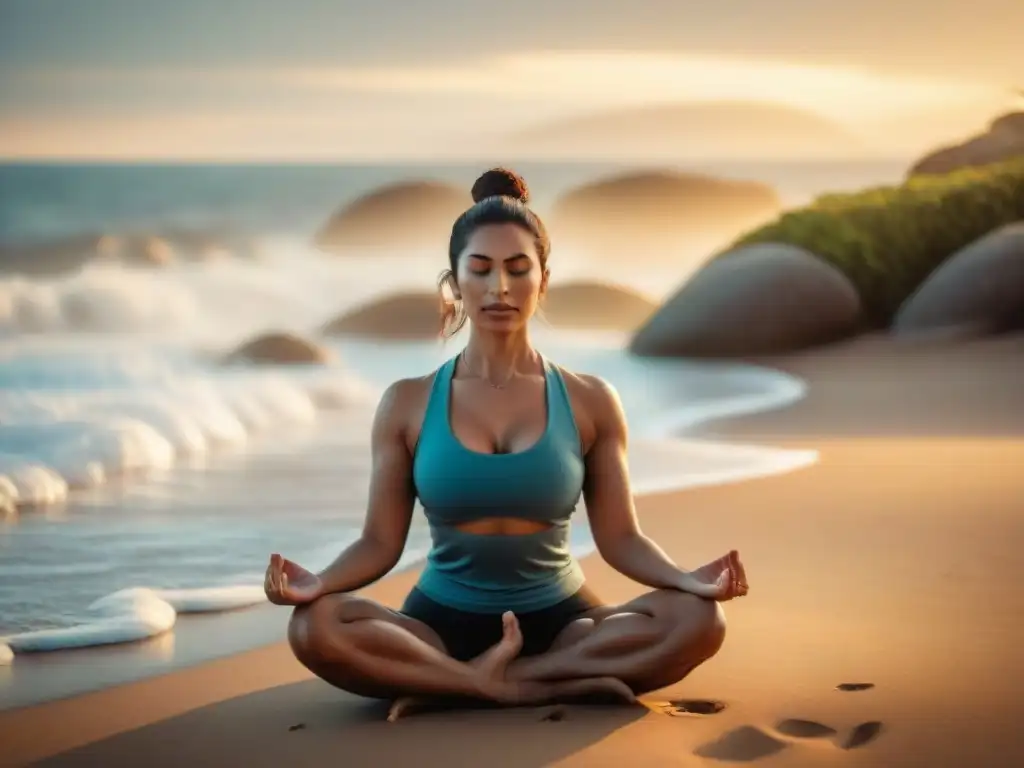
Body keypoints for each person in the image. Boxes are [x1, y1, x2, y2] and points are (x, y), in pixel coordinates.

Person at [264, 168, 748, 721]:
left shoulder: (590, 399)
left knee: (700, 620)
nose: (499, 289)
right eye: (481, 269)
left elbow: (621, 538)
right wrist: (318, 583)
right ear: (455, 283)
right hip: (438, 627)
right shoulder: (407, 403)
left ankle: (485, 684)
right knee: (314, 626)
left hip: (565, 625)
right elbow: (379, 543)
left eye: (519, 270)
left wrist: (687, 580)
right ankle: (496, 680)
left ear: (543, 279)